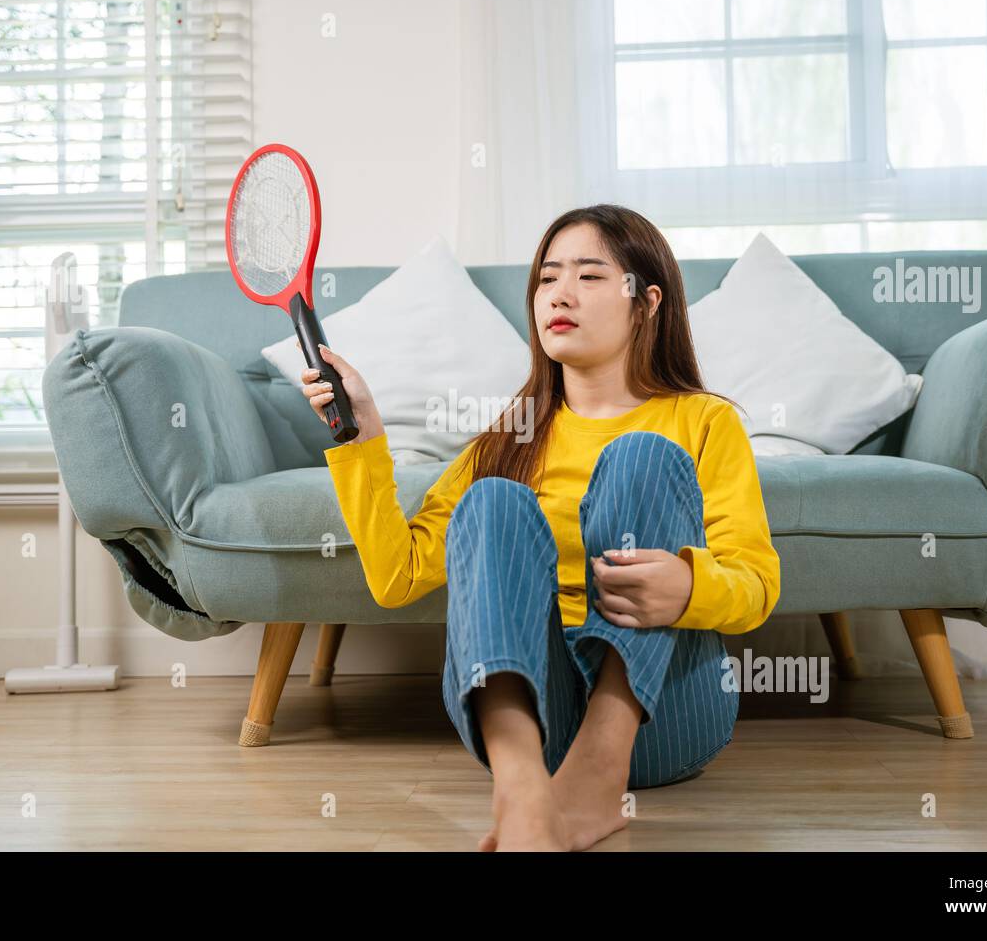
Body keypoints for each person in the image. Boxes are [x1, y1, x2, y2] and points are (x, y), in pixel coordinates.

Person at [300, 204, 781, 851]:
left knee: (642, 458)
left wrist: (689, 586)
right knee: (493, 499)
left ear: (646, 301)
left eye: (588, 276)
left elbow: (754, 583)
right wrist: (365, 436)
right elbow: (397, 576)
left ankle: (599, 775)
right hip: (540, 722)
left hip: (664, 716)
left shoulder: (704, 422)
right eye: (547, 278)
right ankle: (522, 791)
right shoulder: (509, 439)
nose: (559, 293)